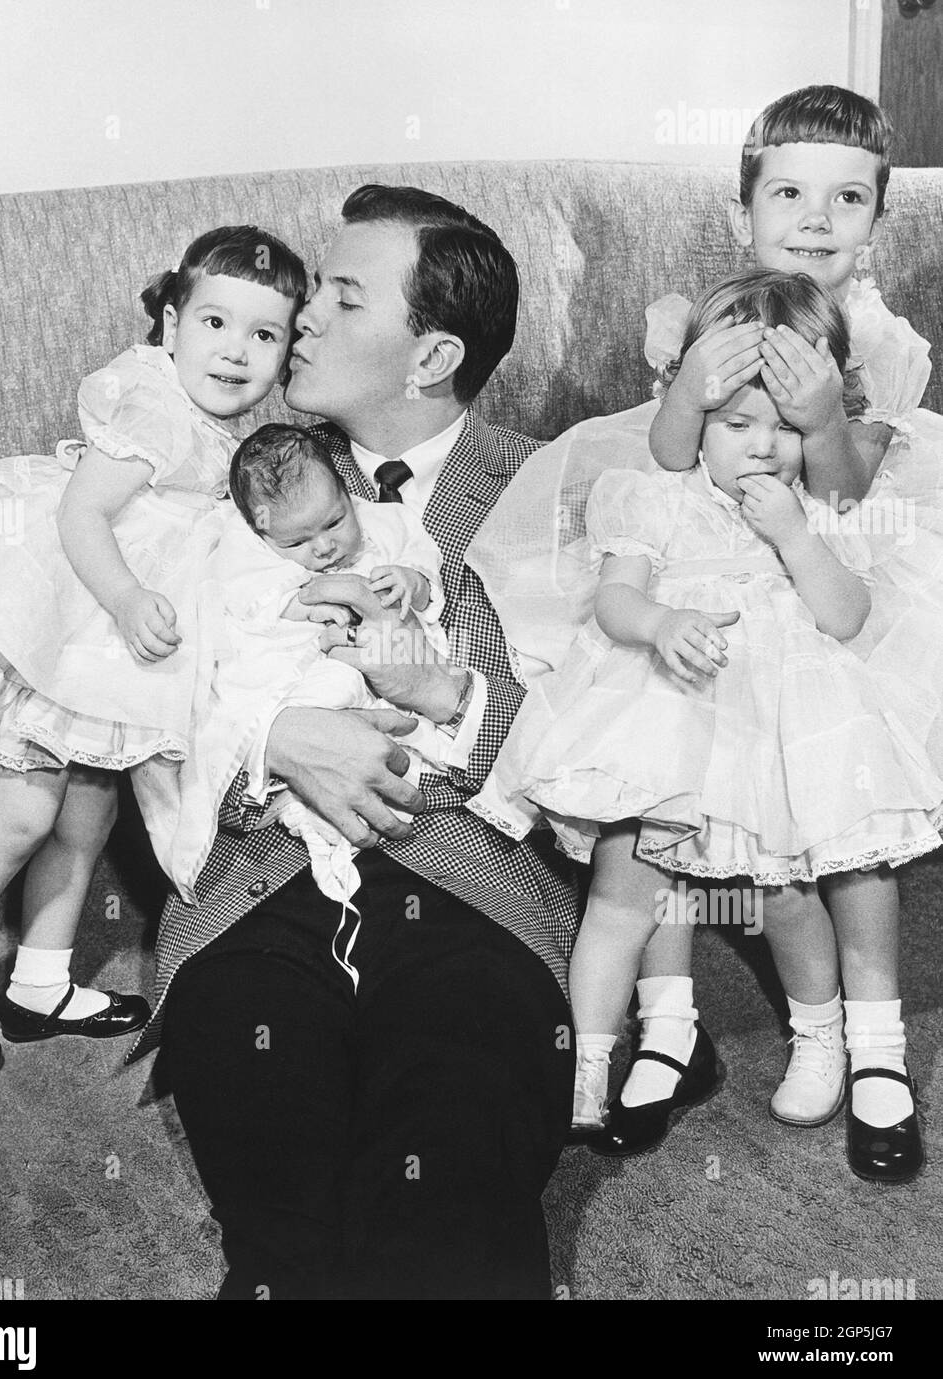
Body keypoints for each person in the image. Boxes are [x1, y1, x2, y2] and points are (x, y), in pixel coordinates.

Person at [468, 85, 943, 1181]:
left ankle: (873, 1047)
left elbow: (844, 493)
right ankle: (666, 1022)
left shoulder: (877, 339)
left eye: (845, 199)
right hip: (693, 550)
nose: (813, 219)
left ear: (876, 222)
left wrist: (822, 412)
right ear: (742, 212)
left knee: (844, 817)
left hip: (831, 550)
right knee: (659, 786)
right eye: (786, 192)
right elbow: (670, 459)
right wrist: (688, 383)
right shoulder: (701, 315)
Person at [129, 184, 579, 1301]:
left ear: (429, 354)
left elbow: (590, 726)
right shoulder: (240, 474)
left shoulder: (548, 487)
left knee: (452, 1175)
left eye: (338, 292)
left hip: (469, 877)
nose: (303, 316)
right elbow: (140, 688)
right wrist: (279, 735)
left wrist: (440, 711)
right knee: (278, 1197)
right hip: (252, 878)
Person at [0, 225, 305, 1080]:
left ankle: (39, 981)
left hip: (115, 652)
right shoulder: (155, 409)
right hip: (69, 622)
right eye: (214, 323)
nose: (235, 352)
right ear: (170, 324)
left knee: (88, 815)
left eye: (264, 335)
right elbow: (82, 518)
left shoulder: (223, 432)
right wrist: (123, 597)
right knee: (24, 815)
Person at [131, 420, 453, 923]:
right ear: (261, 531)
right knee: (330, 691)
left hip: (398, 675)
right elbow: (245, 602)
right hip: (294, 675)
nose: (323, 549)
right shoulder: (241, 547)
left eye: (333, 523)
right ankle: (308, 813)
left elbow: (425, 566)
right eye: (297, 542)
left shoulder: (388, 521)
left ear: (348, 493)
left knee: (383, 700)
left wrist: (413, 582)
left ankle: (407, 764)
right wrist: (304, 607)